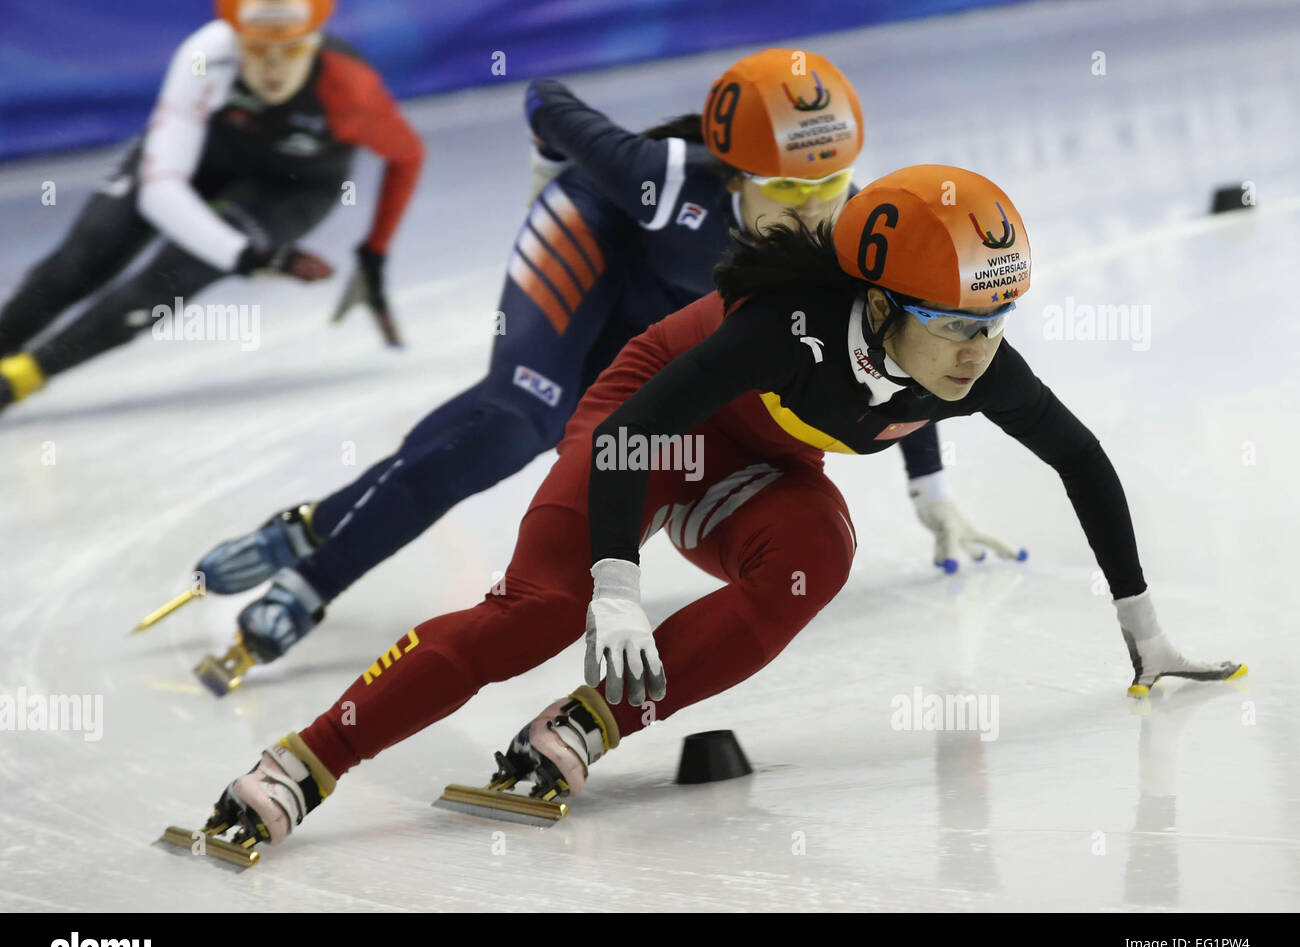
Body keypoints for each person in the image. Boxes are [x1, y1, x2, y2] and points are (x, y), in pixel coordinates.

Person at [184, 164, 1244, 853]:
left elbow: (1082, 459)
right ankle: (304, 760)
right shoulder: (784, 327)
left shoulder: (973, 359)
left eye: (998, 321)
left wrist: (1144, 636)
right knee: (541, 613)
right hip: (641, 429)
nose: (981, 351)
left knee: (815, 551)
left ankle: (585, 725)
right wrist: (614, 587)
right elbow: (634, 430)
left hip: (748, 464)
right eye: (955, 324)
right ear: (877, 304)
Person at [169, 49, 1020, 673]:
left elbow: (889, 350)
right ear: (733, 173)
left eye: (833, 181)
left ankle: (310, 526)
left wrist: (929, 489)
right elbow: (545, 94)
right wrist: (551, 168)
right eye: (790, 188)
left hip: (662, 300)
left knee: (586, 430)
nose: (815, 207)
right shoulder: (654, 177)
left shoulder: (849, 222)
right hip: (588, 233)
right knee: (518, 420)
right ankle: (317, 575)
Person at [0, 0, 422, 411]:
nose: (273, 68)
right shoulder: (204, 56)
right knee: (86, 255)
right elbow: (160, 189)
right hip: (203, 157)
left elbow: (408, 156)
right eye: (257, 50)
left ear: (313, 44)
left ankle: (14, 382)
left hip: (289, 188)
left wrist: (374, 254)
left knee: (170, 278)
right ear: (234, 41)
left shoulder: (351, 90)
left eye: (290, 50)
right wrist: (245, 255)